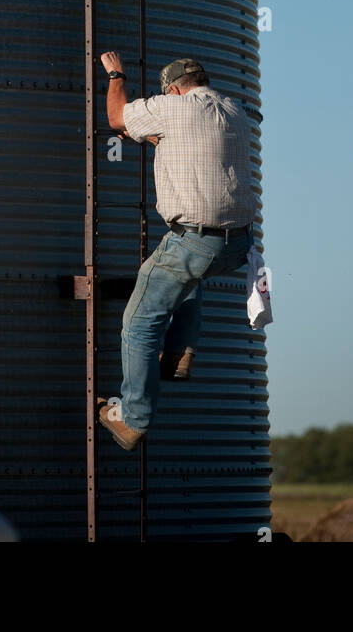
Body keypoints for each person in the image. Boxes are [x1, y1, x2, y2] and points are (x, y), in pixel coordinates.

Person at [97, 50, 257, 451]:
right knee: (188, 275)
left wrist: (116, 73)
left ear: (172, 89)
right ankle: (181, 353)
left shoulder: (171, 107)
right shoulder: (233, 109)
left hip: (194, 239)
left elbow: (117, 118)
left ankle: (133, 418)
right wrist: (152, 136)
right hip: (236, 244)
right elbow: (196, 148)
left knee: (138, 322)